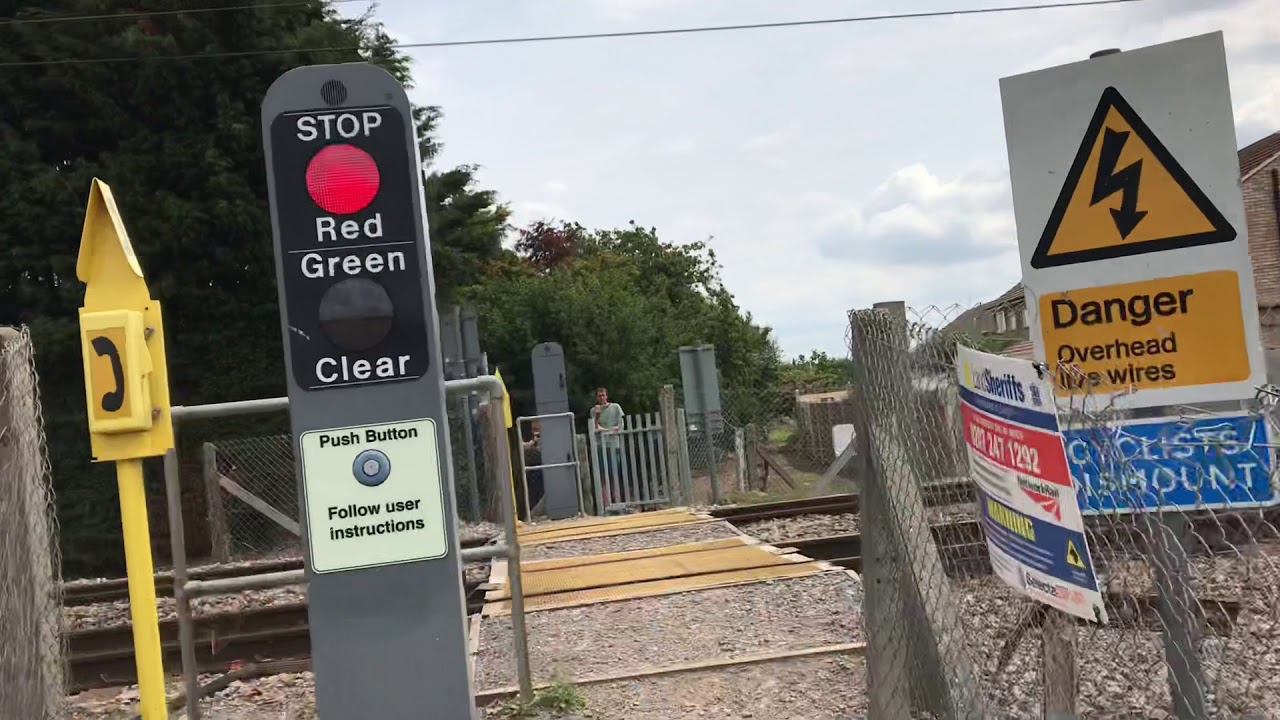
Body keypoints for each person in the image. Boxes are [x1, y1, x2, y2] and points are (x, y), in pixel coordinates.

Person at [591, 387, 625, 508]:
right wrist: (597, 416)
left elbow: (620, 425)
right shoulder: (594, 410)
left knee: (614, 474)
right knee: (603, 476)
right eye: (599, 396)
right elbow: (594, 428)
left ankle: (617, 501)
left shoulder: (615, 407)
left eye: (603, 395)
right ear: (596, 398)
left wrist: (605, 430)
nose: (601, 398)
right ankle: (607, 503)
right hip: (601, 446)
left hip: (613, 445)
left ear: (607, 396)